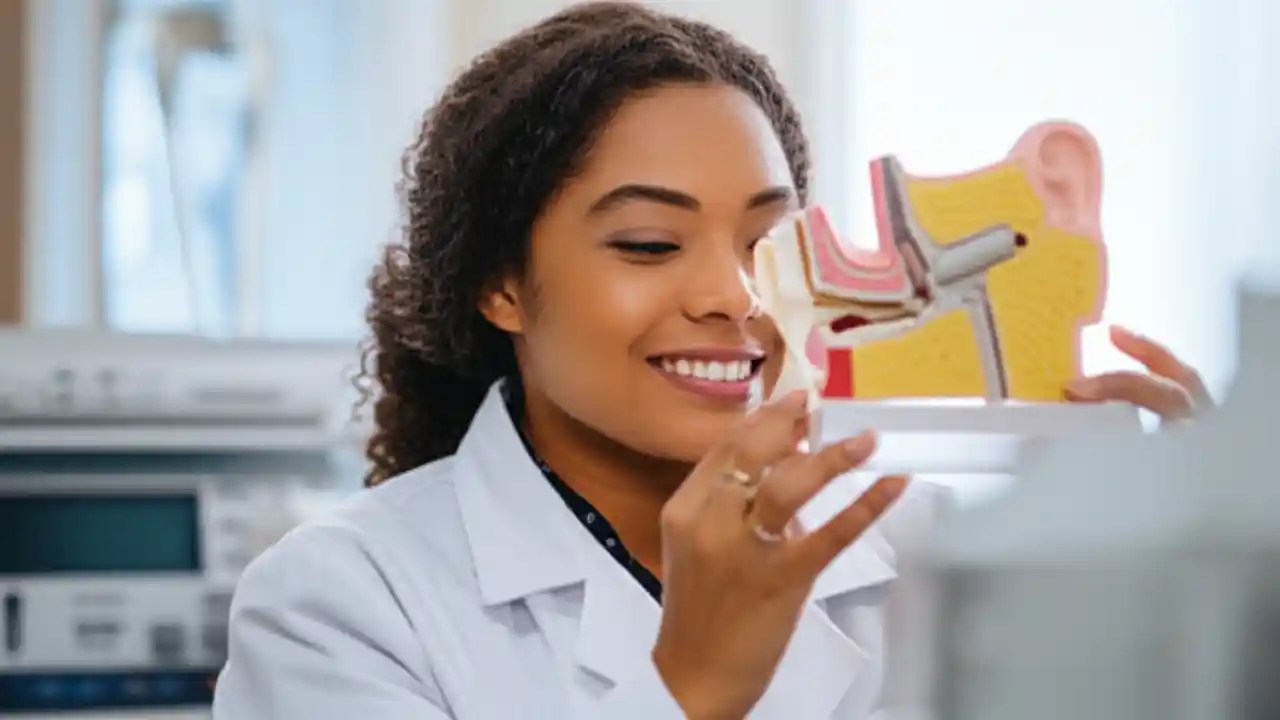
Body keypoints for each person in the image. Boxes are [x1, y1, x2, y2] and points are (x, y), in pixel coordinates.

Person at [210, 3, 1211, 718]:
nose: (732, 298)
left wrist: (1209, 556)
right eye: (648, 245)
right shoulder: (342, 602)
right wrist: (688, 688)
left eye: (766, 244)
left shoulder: (928, 549)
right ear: (502, 285)